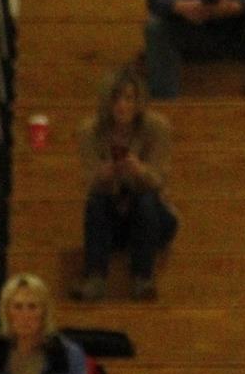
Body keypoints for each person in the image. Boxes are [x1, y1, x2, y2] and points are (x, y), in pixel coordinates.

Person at [70, 68, 177, 301]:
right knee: (96, 202)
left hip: (153, 216)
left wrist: (140, 171)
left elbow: (159, 180)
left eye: (129, 98)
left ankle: (143, 278)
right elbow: (90, 181)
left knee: (145, 200)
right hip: (114, 212)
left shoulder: (156, 127)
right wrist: (104, 176)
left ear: (138, 101)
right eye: (116, 98)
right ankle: (95, 278)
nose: (122, 105)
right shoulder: (90, 131)